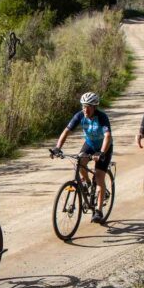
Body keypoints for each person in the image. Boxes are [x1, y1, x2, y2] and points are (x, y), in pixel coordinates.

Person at [52, 92, 113, 223]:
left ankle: (98, 212)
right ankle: (88, 182)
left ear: (94, 107)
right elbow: (66, 131)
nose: (85, 109)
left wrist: (101, 153)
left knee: (99, 177)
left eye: (88, 107)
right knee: (80, 162)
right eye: (83, 106)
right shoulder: (79, 116)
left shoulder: (102, 117)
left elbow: (108, 136)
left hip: (104, 147)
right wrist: (58, 148)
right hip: (90, 144)